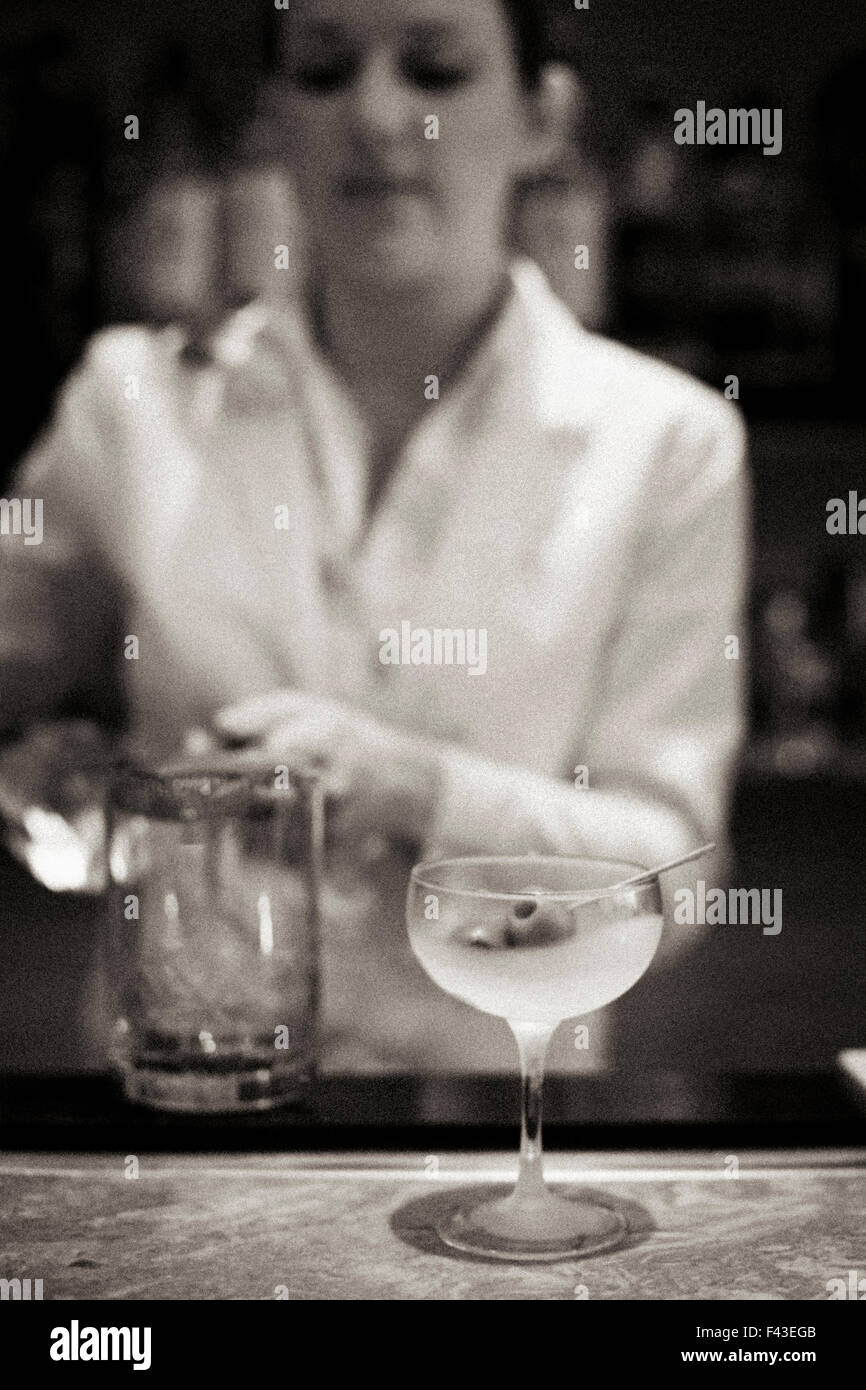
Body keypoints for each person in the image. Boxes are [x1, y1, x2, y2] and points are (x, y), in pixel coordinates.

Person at [0, 0, 749, 1070]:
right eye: (323, 70)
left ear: (542, 115)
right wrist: (40, 777)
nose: (378, 114)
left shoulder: (665, 442)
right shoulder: (134, 402)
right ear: (272, 116)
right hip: (183, 1104)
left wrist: (413, 788)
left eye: (436, 69)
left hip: (491, 1128)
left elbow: (669, 881)